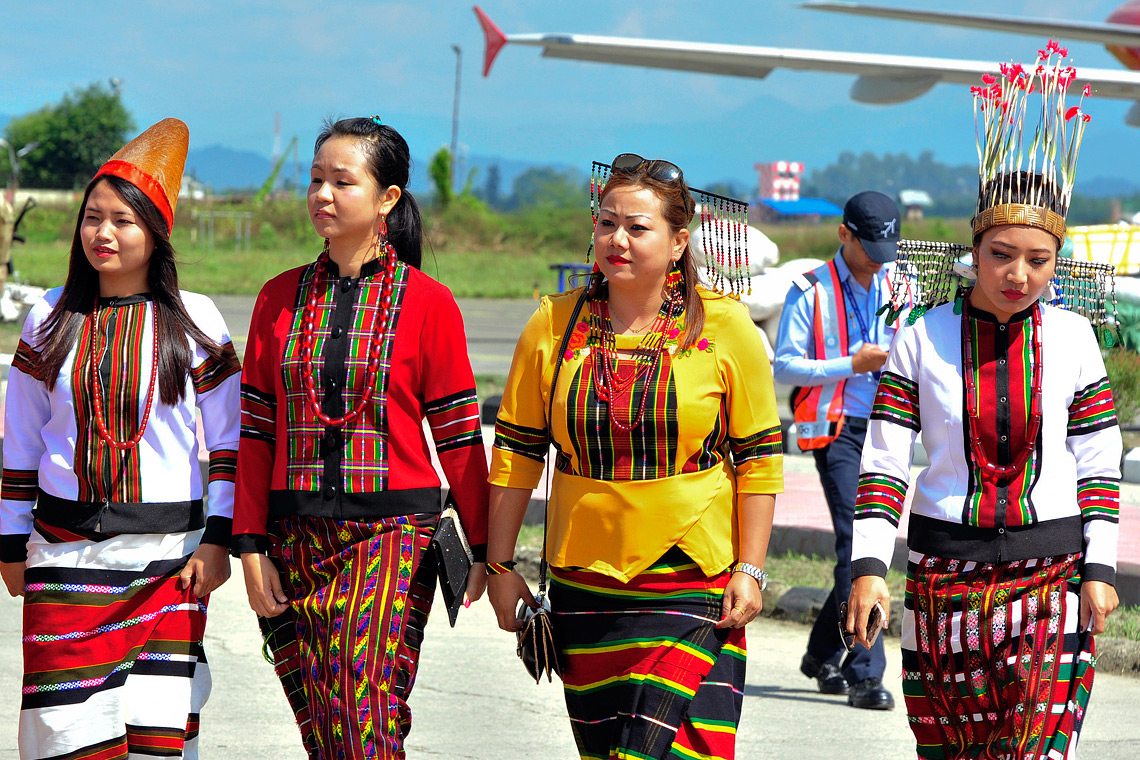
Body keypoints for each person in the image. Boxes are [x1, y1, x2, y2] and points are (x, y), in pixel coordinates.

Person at [847, 47, 1121, 759]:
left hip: (1052, 576)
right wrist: (869, 566)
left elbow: (1098, 460)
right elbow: (883, 462)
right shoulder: (921, 339)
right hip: (944, 579)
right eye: (1001, 253)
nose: (1019, 273)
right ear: (974, 248)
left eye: (1039, 259)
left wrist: (1101, 568)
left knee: (1034, 749)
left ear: (1057, 261)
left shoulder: (1074, 339)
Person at [486, 154, 782, 760]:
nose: (616, 239)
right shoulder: (551, 325)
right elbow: (516, 452)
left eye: (637, 227)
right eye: (605, 223)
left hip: (692, 578)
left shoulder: (727, 328)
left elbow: (759, 459)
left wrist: (750, 570)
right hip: (585, 581)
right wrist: (498, 566)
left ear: (678, 243)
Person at [232, 116, 489, 760]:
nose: (321, 193)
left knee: (362, 715)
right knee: (321, 725)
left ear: (387, 199)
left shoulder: (430, 303)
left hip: (391, 537)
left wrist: (488, 546)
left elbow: (459, 437)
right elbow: (258, 431)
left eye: (341, 181)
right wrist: (250, 544)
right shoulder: (277, 298)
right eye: (315, 179)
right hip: (293, 535)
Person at [0, 118, 241, 760]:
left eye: (122, 221)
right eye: (92, 217)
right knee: (60, 738)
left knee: (155, 737)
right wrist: (8, 541)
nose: (102, 234)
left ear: (155, 233)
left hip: (169, 566)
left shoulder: (196, 319)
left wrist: (218, 542)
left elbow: (229, 445)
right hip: (63, 560)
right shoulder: (49, 316)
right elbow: (19, 441)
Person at [771, 190, 902, 710]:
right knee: (856, 539)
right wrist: (853, 363)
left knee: (866, 545)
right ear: (843, 234)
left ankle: (823, 653)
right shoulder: (810, 289)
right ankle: (867, 674)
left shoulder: (900, 281)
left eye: (886, 248)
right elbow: (784, 366)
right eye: (868, 245)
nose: (878, 259)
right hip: (835, 429)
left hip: (889, 427)